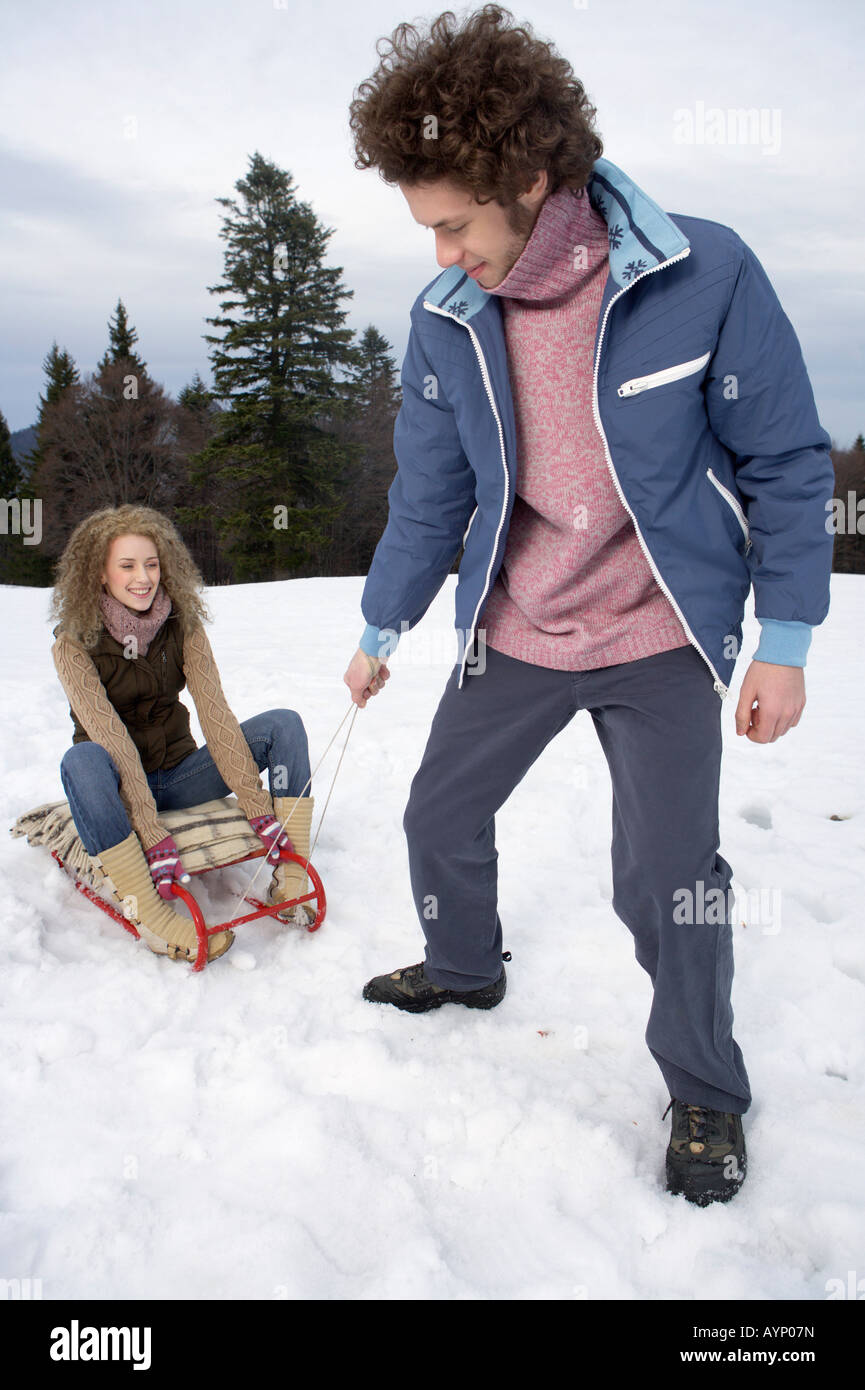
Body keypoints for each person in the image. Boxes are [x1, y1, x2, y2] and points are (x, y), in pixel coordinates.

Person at [342, 5, 834, 1204]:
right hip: (516, 624)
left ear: (532, 173)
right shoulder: (446, 318)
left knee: (666, 876)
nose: (441, 252)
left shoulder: (701, 270)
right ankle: (465, 966)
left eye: (456, 223)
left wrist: (783, 640)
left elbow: (784, 460)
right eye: (425, 229)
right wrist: (380, 624)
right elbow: (430, 490)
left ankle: (706, 1087)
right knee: (434, 818)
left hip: (658, 630)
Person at [50, 504, 314, 964]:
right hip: (115, 787)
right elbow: (111, 738)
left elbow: (216, 717)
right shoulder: (73, 643)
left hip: (177, 777)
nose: (143, 577)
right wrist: (151, 835)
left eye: (151, 564)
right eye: (127, 565)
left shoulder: (183, 625)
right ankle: (150, 913)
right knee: (83, 760)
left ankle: (291, 876)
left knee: (283, 724)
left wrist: (257, 808)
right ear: (99, 573)